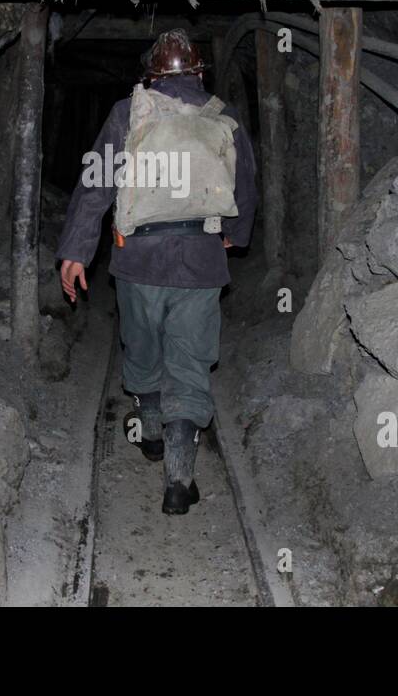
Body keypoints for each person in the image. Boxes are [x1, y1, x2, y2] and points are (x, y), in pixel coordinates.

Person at [56, 29, 257, 514]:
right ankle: (178, 481)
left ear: (150, 73)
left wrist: (76, 251)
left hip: (137, 259)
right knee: (188, 364)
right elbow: (245, 183)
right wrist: (234, 234)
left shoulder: (128, 114)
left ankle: (149, 431)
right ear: (198, 71)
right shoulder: (223, 116)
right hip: (200, 259)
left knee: (142, 342)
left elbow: (95, 184)